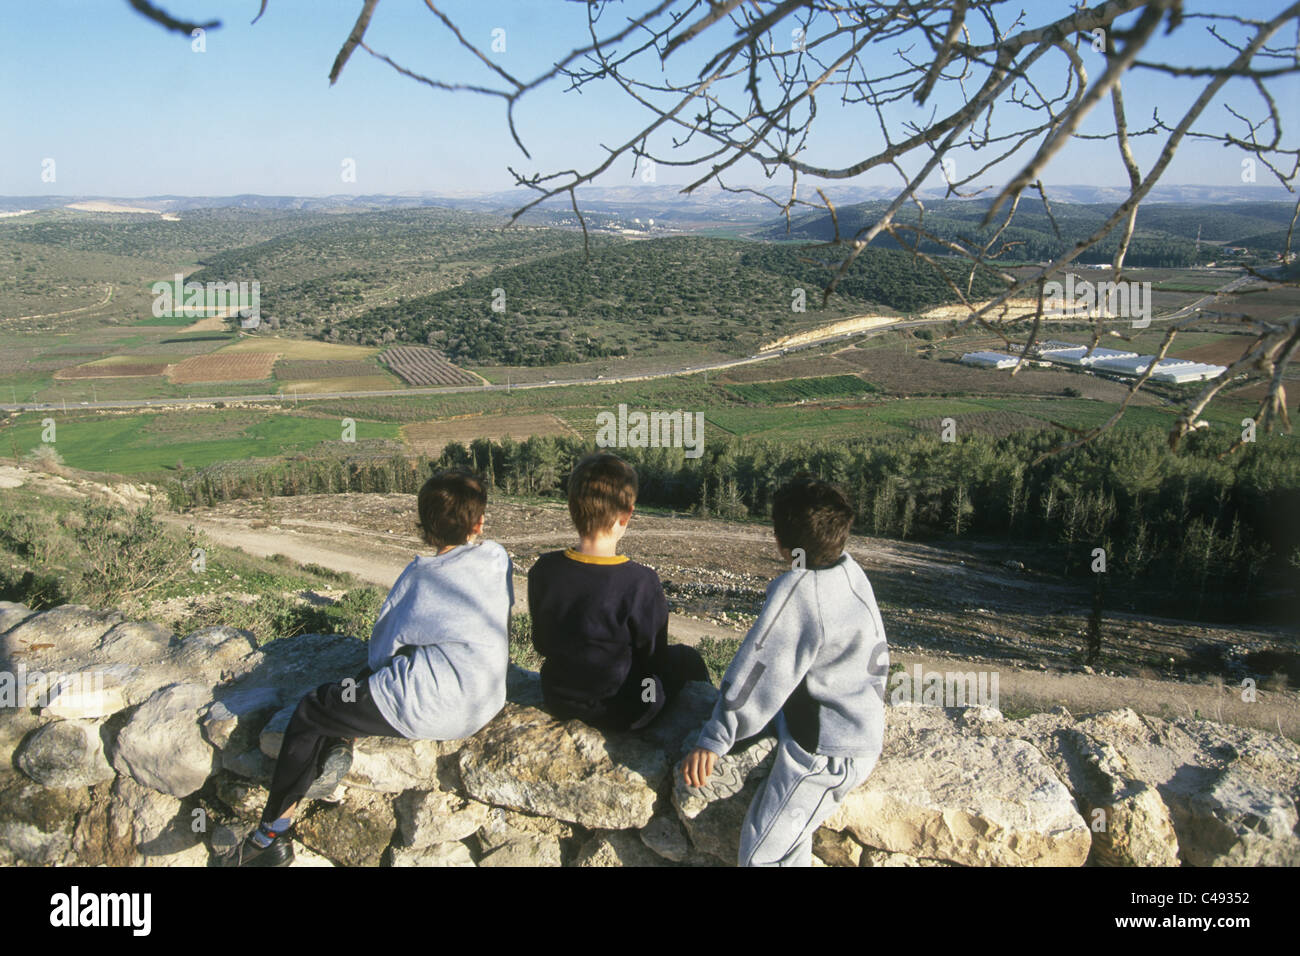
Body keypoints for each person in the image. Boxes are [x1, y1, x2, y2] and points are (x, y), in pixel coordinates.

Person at [223, 469, 512, 867]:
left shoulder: (420, 579)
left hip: (433, 705)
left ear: (423, 525)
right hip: (487, 698)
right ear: (479, 523)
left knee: (312, 708)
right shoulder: (498, 558)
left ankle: (272, 832)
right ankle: (343, 740)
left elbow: (381, 653)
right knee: (359, 687)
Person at [681, 477, 889, 867]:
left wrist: (714, 738)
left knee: (761, 853)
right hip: (852, 725)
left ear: (780, 541)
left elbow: (755, 674)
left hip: (827, 754)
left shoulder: (798, 593)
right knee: (789, 842)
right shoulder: (850, 571)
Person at [528, 452, 709, 732]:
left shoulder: (544, 569)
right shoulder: (641, 582)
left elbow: (541, 643)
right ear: (627, 515)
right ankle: (704, 726)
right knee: (687, 660)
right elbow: (654, 659)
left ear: (572, 507)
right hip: (628, 710)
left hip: (558, 699)